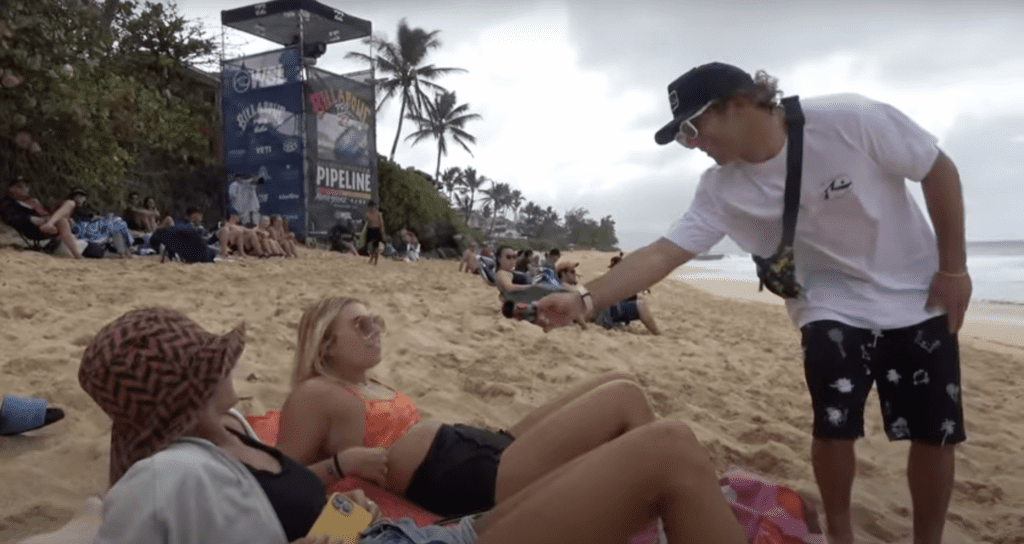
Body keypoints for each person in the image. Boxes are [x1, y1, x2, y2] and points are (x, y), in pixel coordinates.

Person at [536, 62, 968, 544]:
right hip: (828, 303)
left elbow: (936, 168)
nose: (692, 143)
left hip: (917, 292)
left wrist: (954, 270)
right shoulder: (722, 189)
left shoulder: (850, 120)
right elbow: (662, 253)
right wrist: (585, 299)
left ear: (740, 103)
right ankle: (841, 534)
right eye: (683, 136)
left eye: (693, 127)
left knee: (936, 431)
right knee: (833, 424)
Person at [72, 307, 746, 544]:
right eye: (214, 360)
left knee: (649, 427)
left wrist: (339, 509)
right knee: (668, 447)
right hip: (432, 507)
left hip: (402, 532)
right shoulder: (169, 479)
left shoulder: (233, 433)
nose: (233, 363)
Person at [276, 296, 660, 518]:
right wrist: (341, 466)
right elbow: (276, 485)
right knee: (624, 399)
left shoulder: (367, 383)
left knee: (616, 379)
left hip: (472, 451)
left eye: (376, 321)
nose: (376, 330)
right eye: (361, 325)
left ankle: (652, 506)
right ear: (326, 344)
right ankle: (662, 508)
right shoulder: (316, 393)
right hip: (457, 477)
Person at [556, 261, 660, 336]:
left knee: (638, 299)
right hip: (603, 315)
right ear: (563, 274)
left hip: (604, 309)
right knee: (640, 305)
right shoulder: (565, 288)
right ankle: (658, 334)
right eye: (572, 272)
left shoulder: (569, 288)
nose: (576, 274)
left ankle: (655, 332)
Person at [0, 177, 82, 258]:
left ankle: (50, 224)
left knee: (70, 203)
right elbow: (11, 218)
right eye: (19, 186)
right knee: (62, 221)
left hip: (49, 222)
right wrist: (31, 219)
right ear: (11, 189)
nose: (24, 188)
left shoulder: (34, 201)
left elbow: (49, 210)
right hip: (34, 229)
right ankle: (78, 256)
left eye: (26, 186)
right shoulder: (9, 203)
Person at [364, 202, 385, 266]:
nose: (372, 208)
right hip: (371, 230)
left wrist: (382, 231)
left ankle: (375, 260)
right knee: (371, 246)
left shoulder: (377, 214)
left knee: (375, 246)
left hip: (375, 230)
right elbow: (365, 221)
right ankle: (373, 259)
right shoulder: (369, 214)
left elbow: (381, 224)